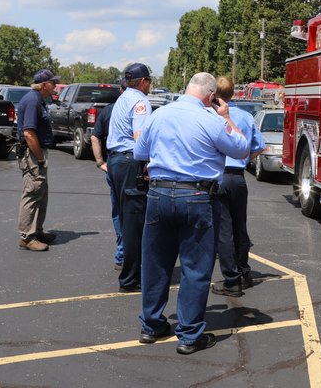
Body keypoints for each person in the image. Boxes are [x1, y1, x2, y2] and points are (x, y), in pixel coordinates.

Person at [134, 72, 249, 355]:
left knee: (155, 263)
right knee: (196, 267)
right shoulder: (211, 119)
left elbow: (139, 152)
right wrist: (227, 116)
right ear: (212, 97)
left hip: (159, 194)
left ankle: (151, 326)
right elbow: (242, 148)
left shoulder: (159, 114)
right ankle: (189, 335)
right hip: (197, 196)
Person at [210, 76, 264, 297]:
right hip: (238, 177)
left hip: (219, 175)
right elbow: (260, 146)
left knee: (223, 230)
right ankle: (244, 272)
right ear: (233, 94)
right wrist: (246, 158)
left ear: (214, 94)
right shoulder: (245, 116)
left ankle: (231, 280)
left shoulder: (210, 115)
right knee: (240, 227)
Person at [106, 63, 152, 292]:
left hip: (115, 160)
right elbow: (140, 139)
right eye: (150, 80)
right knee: (135, 222)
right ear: (143, 81)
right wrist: (148, 165)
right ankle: (131, 278)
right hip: (129, 161)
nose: (150, 84)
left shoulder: (122, 99)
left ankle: (129, 269)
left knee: (125, 220)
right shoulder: (140, 101)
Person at [15, 69, 59, 252]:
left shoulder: (37, 99)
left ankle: (36, 231)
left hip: (37, 153)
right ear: (43, 85)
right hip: (33, 154)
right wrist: (40, 158)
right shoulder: (33, 101)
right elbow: (29, 133)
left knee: (41, 192)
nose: (55, 86)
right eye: (53, 83)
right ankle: (27, 236)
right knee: (33, 192)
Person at [91, 78, 125, 270]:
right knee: (135, 213)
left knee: (119, 211)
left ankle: (121, 253)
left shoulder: (108, 110)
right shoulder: (140, 109)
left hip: (114, 165)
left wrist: (101, 162)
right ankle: (130, 254)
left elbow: (95, 136)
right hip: (132, 167)